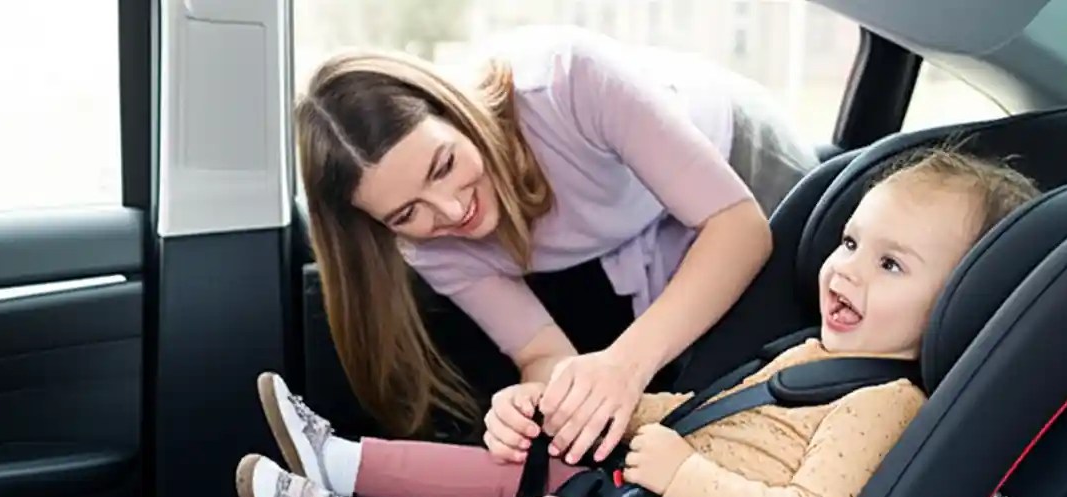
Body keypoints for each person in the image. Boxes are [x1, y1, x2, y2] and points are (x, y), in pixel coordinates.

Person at [238, 146, 1040, 497]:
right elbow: (709, 410)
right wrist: (602, 407)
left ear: (963, 299)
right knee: (531, 460)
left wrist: (683, 473)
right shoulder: (818, 353)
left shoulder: (885, 403)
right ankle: (344, 462)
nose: (845, 272)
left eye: (891, 265)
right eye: (852, 244)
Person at [295, 24, 819, 463]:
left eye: (444, 166)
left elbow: (738, 228)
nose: (451, 211)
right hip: (641, 233)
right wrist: (531, 402)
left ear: (452, 110)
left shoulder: (566, 81)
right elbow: (542, 352)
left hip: (742, 171)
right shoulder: (430, 247)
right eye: (408, 212)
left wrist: (624, 364)